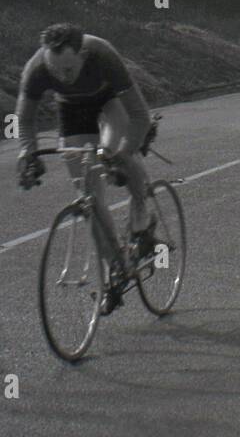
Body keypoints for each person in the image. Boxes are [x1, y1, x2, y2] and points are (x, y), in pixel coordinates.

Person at [15, 23, 156, 314]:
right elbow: (25, 121)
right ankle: (116, 269)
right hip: (71, 112)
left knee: (113, 153)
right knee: (89, 198)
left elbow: (139, 115)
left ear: (82, 54)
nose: (61, 77)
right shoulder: (37, 68)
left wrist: (122, 153)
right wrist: (28, 153)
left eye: (68, 70)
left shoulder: (102, 53)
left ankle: (142, 219)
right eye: (55, 71)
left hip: (108, 103)